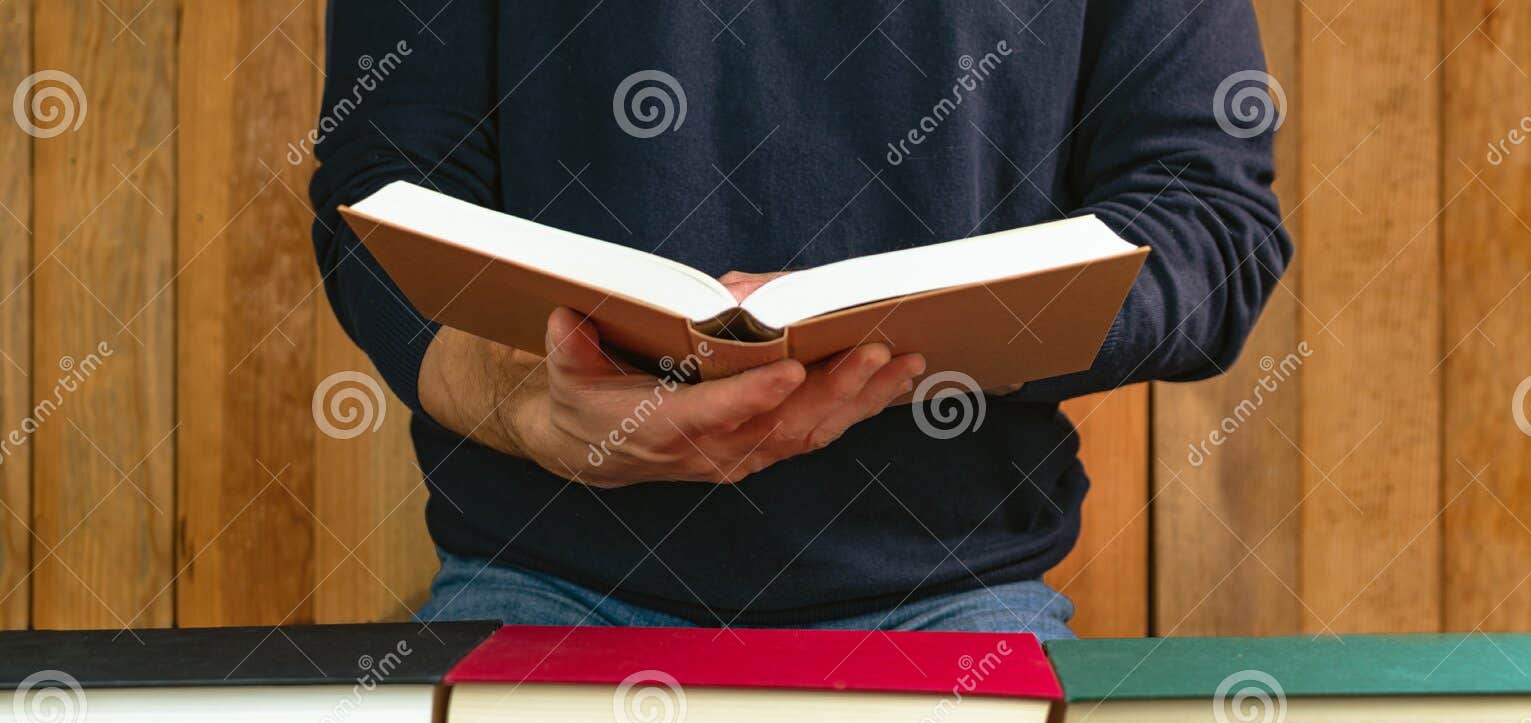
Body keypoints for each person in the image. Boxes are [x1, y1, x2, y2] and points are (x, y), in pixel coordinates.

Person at [311, 1, 1290, 640]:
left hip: (951, 600)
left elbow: (1210, 225)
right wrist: (528, 405)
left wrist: (913, 329)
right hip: (538, 587)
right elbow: (384, 189)